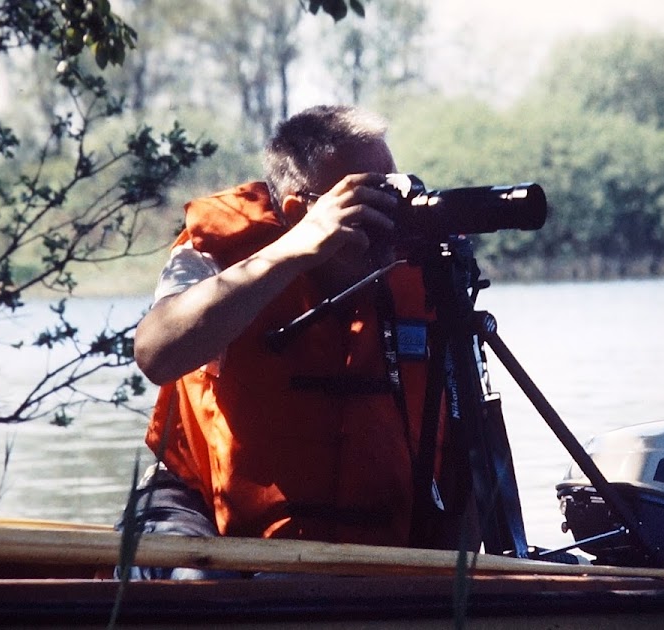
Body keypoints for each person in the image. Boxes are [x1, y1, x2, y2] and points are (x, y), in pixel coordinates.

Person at [120, 105, 476, 580]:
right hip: (205, 512)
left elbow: (467, 450)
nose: (387, 214)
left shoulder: (425, 269)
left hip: (373, 538)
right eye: (363, 199)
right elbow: (156, 354)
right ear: (298, 210)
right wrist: (295, 250)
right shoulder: (215, 249)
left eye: (391, 189)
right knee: (196, 582)